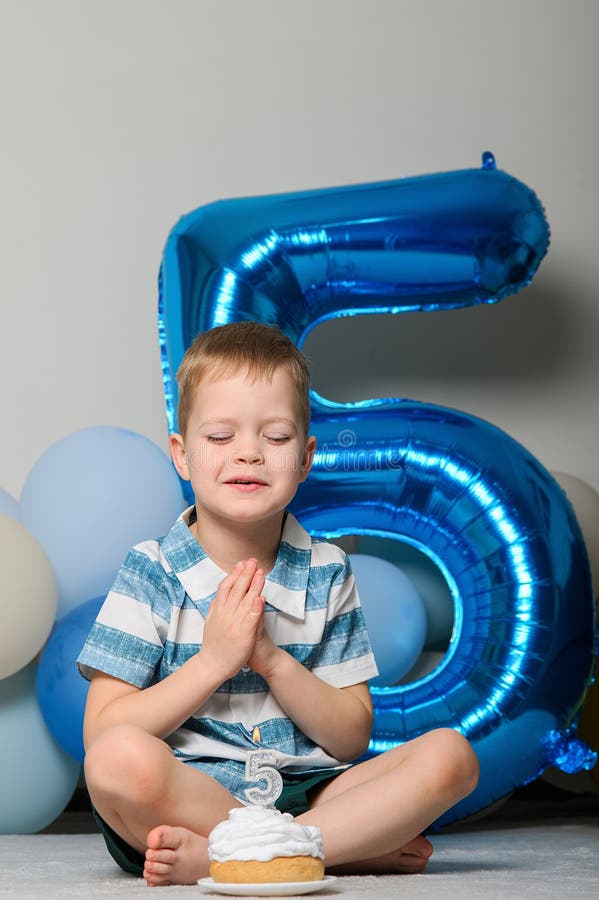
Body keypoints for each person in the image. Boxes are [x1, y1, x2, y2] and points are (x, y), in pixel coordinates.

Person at [78, 321, 479, 887]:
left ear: (306, 457)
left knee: (451, 757)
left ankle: (245, 856)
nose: (248, 453)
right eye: (220, 438)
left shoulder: (327, 570)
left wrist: (269, 658)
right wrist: (214, 661)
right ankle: (331, 849)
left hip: (308, 791)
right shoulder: (152, 569)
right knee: (116, 760)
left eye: (275, 437)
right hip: (191, 795)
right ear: (183, 454)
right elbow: (103, 730)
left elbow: (349, 737)